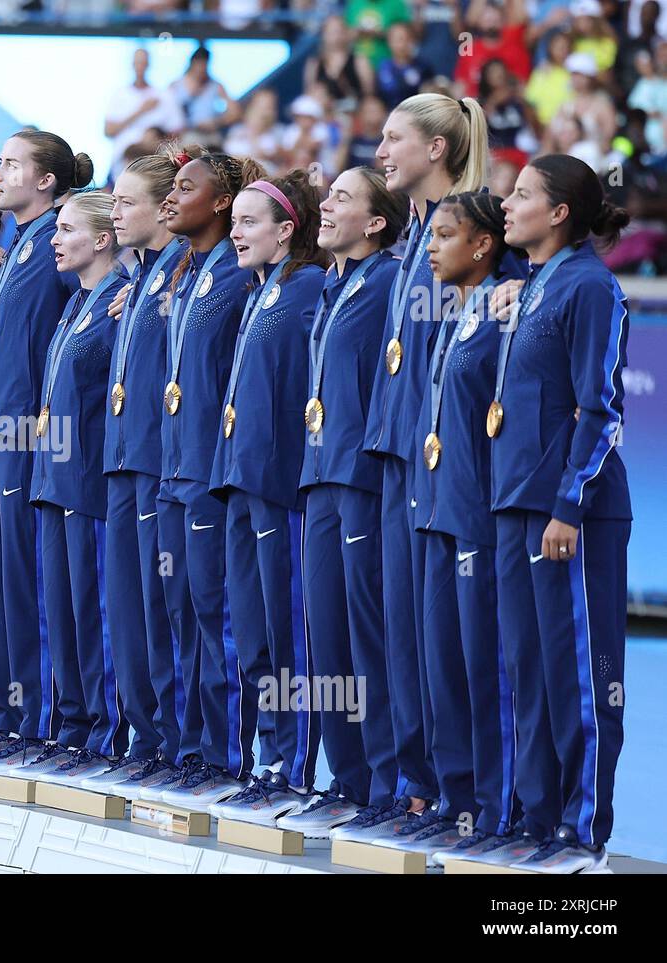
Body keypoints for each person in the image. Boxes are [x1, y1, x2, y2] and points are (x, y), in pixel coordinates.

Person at [343, 92, 491, 843]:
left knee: (441, 638)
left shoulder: (464, 231)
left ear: (437, 149)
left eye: (396, 137)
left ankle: (462, 796)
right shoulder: (412, 238)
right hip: (394, 454)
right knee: (402, 633)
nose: (381, 149)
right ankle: (416, 789)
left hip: (438, 463)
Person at [488, 155, 632, 873]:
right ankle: (536, 817)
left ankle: (582, 832)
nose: (506, 205)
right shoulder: (534, 285)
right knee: (528, 669)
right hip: (518, 506)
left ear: (560, 214)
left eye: (522, 195)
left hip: (570, 514)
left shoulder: (591, 287)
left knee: (578, 673)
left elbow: (601, 411)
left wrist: (568, 504)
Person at [375, 191, 526, 864]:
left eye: (445, 235)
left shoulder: (504, 308)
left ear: (484, 245)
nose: (430, 248)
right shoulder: (456, 310)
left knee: (479, 667)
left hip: (476, 513)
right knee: (440, 662)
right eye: (429, 235)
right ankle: (455, 799)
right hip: (432, 507)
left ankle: (495, 808)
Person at [140, 152, 267, 808]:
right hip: (172, 464)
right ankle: (187, 746)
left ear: (222, 203)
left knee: (217, 616)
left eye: (186, 187)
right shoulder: (186, 271)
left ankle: (228, 754)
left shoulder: (237, 275)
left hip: (210, 474)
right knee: (179, 614)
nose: (172, 197)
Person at [284, 166, 406, 838]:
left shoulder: (389, 280)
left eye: (342, 198)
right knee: (325, 637)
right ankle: (348, 778)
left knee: (367, 638)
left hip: (359, 478)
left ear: (378, 221)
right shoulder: (333, 282)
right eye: (326, 196)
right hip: (319, 474)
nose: (325, 205)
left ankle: (387, 784)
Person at [0, 130, 92, 774]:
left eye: (11, 162)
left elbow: (95, 304)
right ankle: (10, 717)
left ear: (46, 180)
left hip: (27, 435)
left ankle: (44, 719)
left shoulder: (58, 243)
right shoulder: (17, 244)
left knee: (26, 580)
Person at [206, 171, 328, 825]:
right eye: (235, 221)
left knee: (286, 632)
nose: (236, 232)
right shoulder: (261, 291)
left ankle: (294, 764)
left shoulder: (307, 288)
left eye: (249, 222)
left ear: (286, 230)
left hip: (279, 485)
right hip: (242, 479)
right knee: (251, 632)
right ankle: (265, 759)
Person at [82, 146, 190, 797]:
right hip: (122, 458)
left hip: (160, 461)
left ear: (164, 209)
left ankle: (181, 742)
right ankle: (144, 734)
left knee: (161, 606)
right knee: (124, 605)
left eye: (127, 202)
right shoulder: (142, 275)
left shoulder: (184, 270)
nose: (115, 210)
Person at [15, 191, 129, 784]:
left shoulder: (120, 303)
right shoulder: (77, 302)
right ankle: (72, 725)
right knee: (59, 608)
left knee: (92, 610)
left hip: (89, 480)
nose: (53, 241)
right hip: (53, 476)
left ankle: (106, 732)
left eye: (66, 230)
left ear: (104, 238)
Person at [104, 48, 183, 180]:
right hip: (121, 162)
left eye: (143, 62)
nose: (140, 66)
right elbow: (109, 131)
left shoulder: (163, 95)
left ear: (148, 65)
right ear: (132, 64)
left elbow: (178, 130)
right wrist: (140, 111)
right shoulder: (120, 94)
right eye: (137, 62)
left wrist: (155, 138)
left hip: (153, 161)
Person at [168, 46, 241, 147]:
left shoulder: (215, 86)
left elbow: (235, 112)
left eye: (204, 65)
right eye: (199, 64)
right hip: (184, 137)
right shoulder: (175, 86)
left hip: (210, 137)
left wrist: (216, 123)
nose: (201, 69)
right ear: (192, 63)